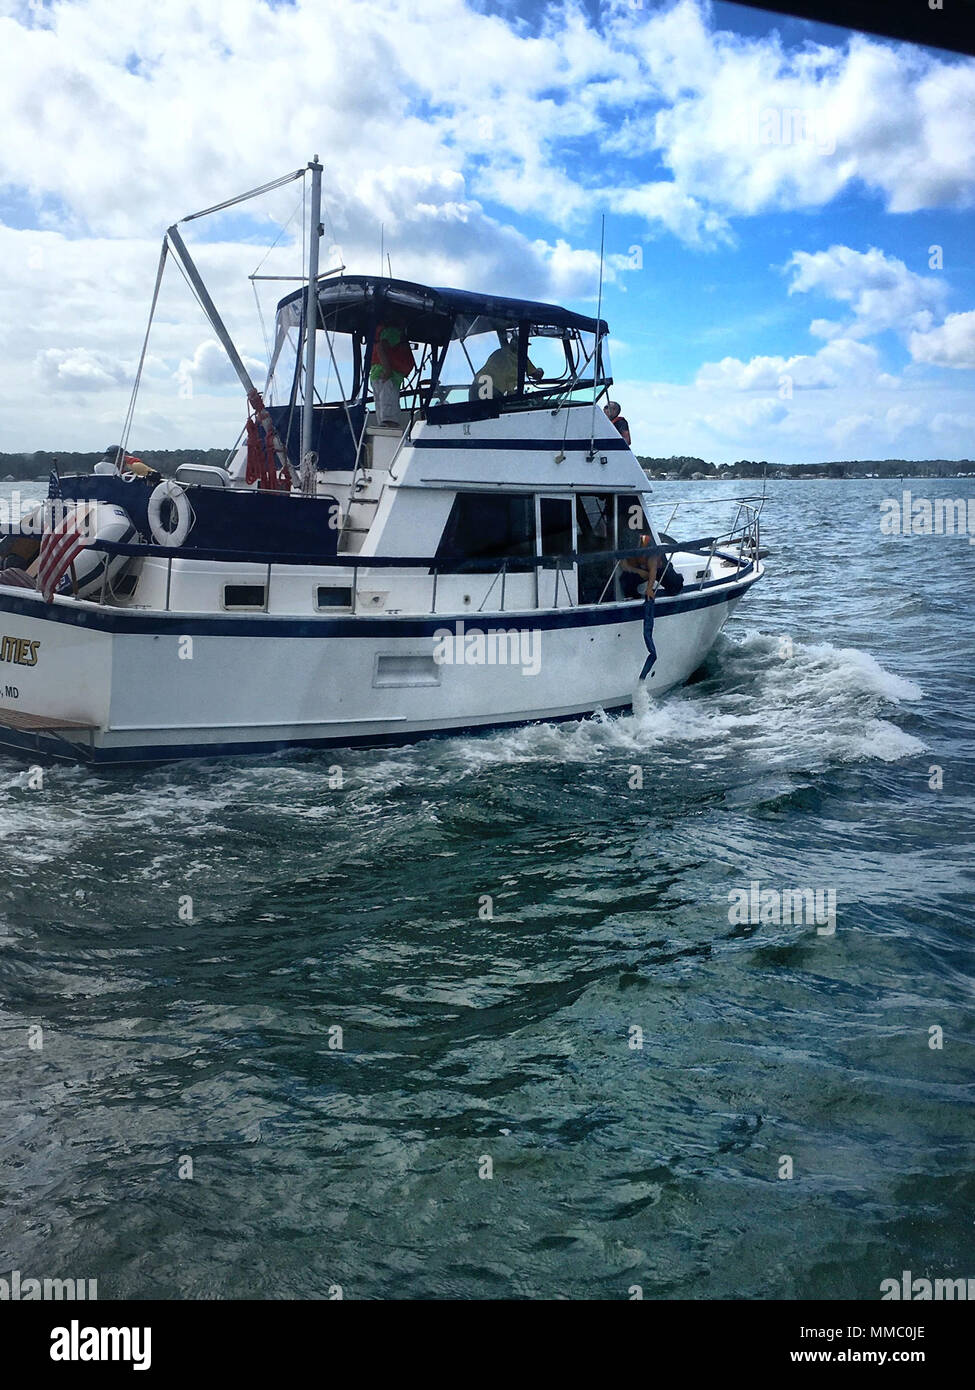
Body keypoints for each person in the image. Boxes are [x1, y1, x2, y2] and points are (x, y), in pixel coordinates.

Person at [470, 331, 543, 401]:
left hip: (475, 388)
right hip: (491, 391)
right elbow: (536, 375)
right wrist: (540, 370)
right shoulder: (521, 358)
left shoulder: (499, 352)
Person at [370, 323, 415, 426]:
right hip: (388, 376)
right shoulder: (393, 332)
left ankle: (384, 429)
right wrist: (388, 370)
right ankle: (389, 428)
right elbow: (381, 347)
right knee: (389, 411)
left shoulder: (386, 332)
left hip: (378, 375)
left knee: (382, 408)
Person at [620, 533, 659, 599]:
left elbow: (653, 568)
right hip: (638, 568)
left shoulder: (648, 543)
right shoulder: (623, 544)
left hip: (656, 568)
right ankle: (633, 599)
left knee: (673, 583)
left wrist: (649, 588)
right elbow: (624, 566)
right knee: (625, 578)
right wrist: (639, 571)